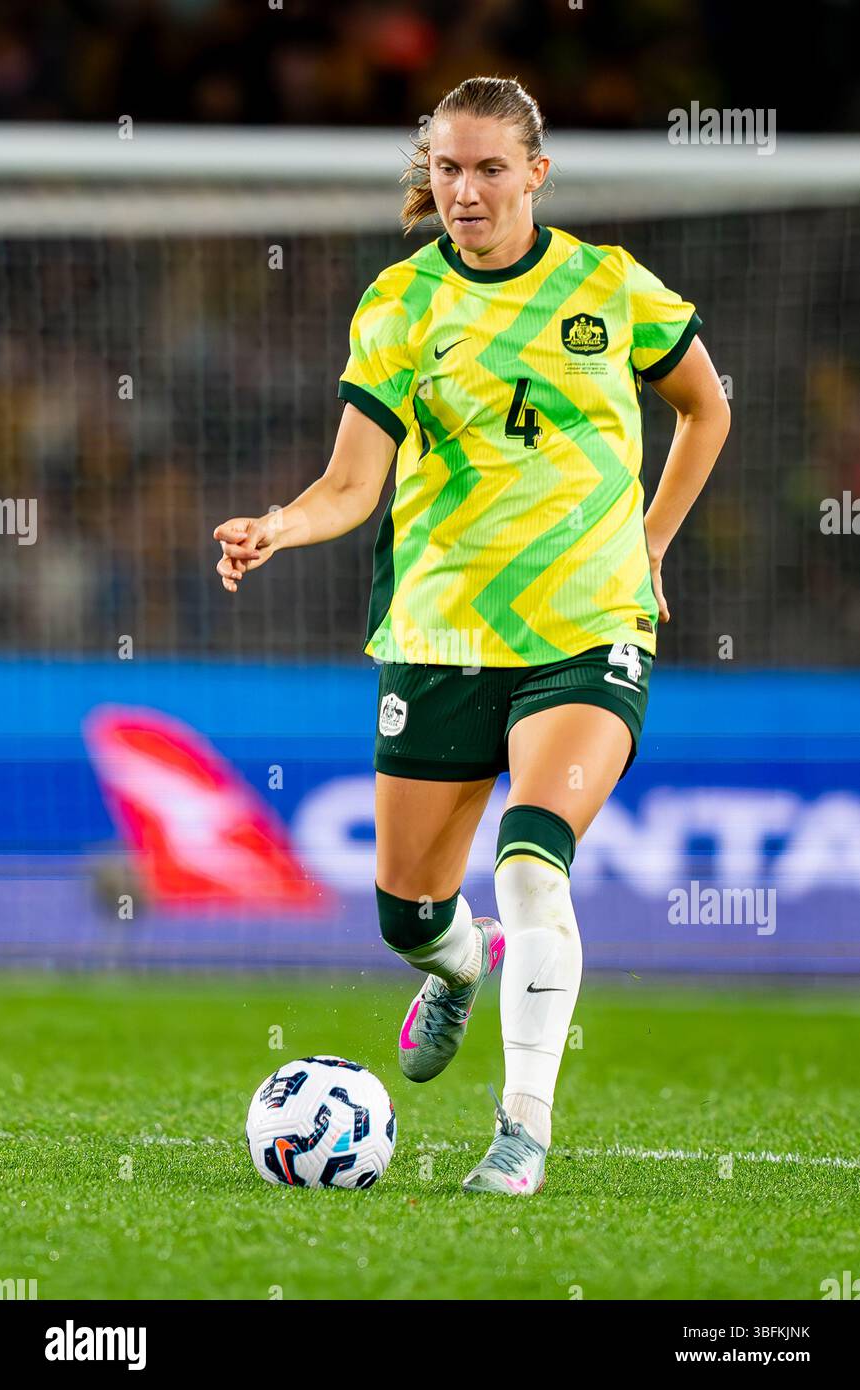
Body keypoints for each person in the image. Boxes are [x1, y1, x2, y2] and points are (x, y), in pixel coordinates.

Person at [213, 75, 730, 1196]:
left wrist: (647, 542)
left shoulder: (608, 287)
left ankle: (522, 1130)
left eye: (490, 168)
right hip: (440, 634)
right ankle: (458, 965)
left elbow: (705, 406)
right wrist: (278, 524)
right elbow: (352, 483)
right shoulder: (400, 305)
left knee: (534, 862)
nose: (465, 189)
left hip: (588, 625)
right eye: (448, 167)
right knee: (408, 912)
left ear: (534, 174)